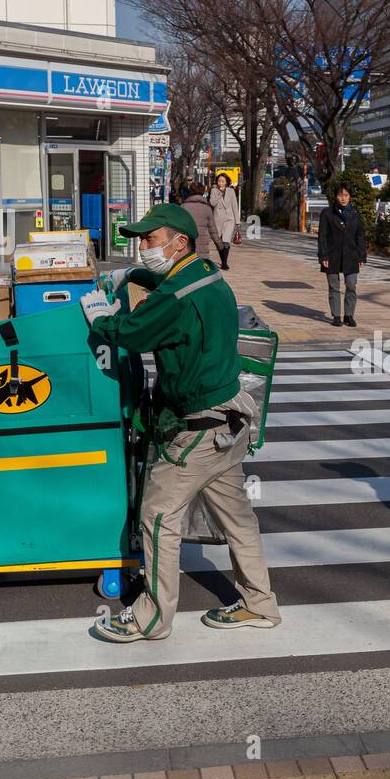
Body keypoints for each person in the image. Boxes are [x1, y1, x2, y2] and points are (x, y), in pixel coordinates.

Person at [80, 202, 281, 642]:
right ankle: (260, 603)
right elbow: (171, 283)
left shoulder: (176, 298)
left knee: (156, 516)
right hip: (230, 421)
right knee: (237, 519)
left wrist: (100, 319)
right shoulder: (208, 275)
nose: (143, 248)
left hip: (195, 429)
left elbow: (129, 332)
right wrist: (134, 275)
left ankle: (151, 618)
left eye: (149, 241)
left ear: (179, 242)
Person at [317, 183, 365, 327]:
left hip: (351, 255)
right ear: (336, 196)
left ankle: (349, 315)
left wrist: (361, 256)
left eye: (346, 195)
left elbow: (360, 236)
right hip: (332, 255)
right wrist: (323, 256)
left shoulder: (355, 213)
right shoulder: (327, 213)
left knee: (351, 285)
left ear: (350, 196)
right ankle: (336, 316)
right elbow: (322, 236)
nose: (343, 198)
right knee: (334, 287)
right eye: (340, 195)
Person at [181, 181, 225, 263]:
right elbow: (213, 231)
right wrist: (220, 246)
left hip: (186, 248)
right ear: (202, 192)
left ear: (190, 192)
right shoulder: (207, 208)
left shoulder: (184, 207)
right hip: (203, 250)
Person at [209, 173, 241, 269]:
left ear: (226, 182)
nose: (221, 183)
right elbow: (212, 203)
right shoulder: (214, 190)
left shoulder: (231, 191)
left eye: (223, 181)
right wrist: (219, 193)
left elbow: (235, 206)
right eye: (219, 181)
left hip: (229, 219)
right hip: (217, 218)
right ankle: (223, 260)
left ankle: (224, 263)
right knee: (219, 242)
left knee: (226, 241)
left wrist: (237, 221)